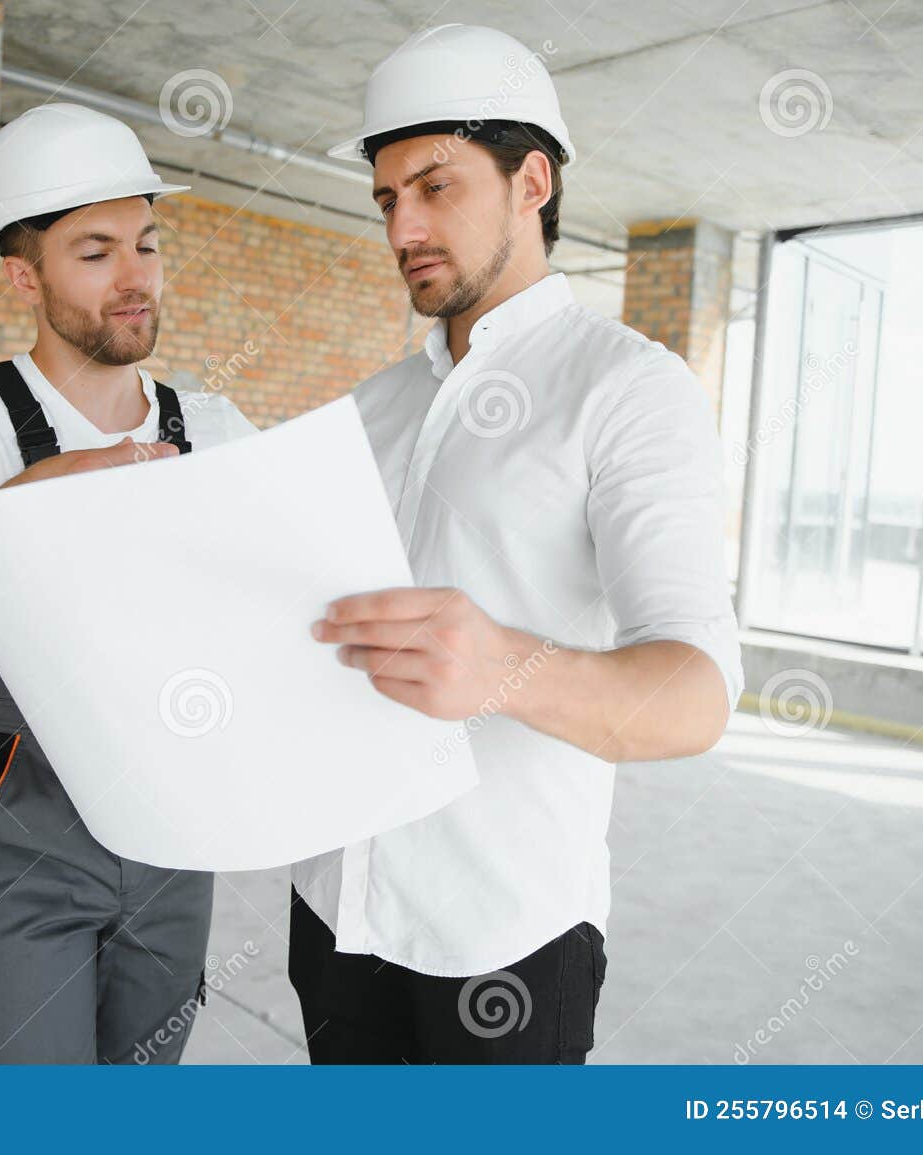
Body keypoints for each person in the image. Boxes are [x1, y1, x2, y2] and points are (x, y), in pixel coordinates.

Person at [291, 24, 744, 1064]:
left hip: (503, 943)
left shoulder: (630, 390)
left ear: (531, 179)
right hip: (332, 916)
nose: (402, 224)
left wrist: (504, 669)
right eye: (385, 197)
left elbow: (696, 691)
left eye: (435, 186)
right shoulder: (372, 409)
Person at [0, 104, 257, 1064]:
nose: (136, 279)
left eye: (146, 244)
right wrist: (31, 500)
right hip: (16, 838)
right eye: (95, 253)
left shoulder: (216, 429)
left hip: (176, 834)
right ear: (24, 274)